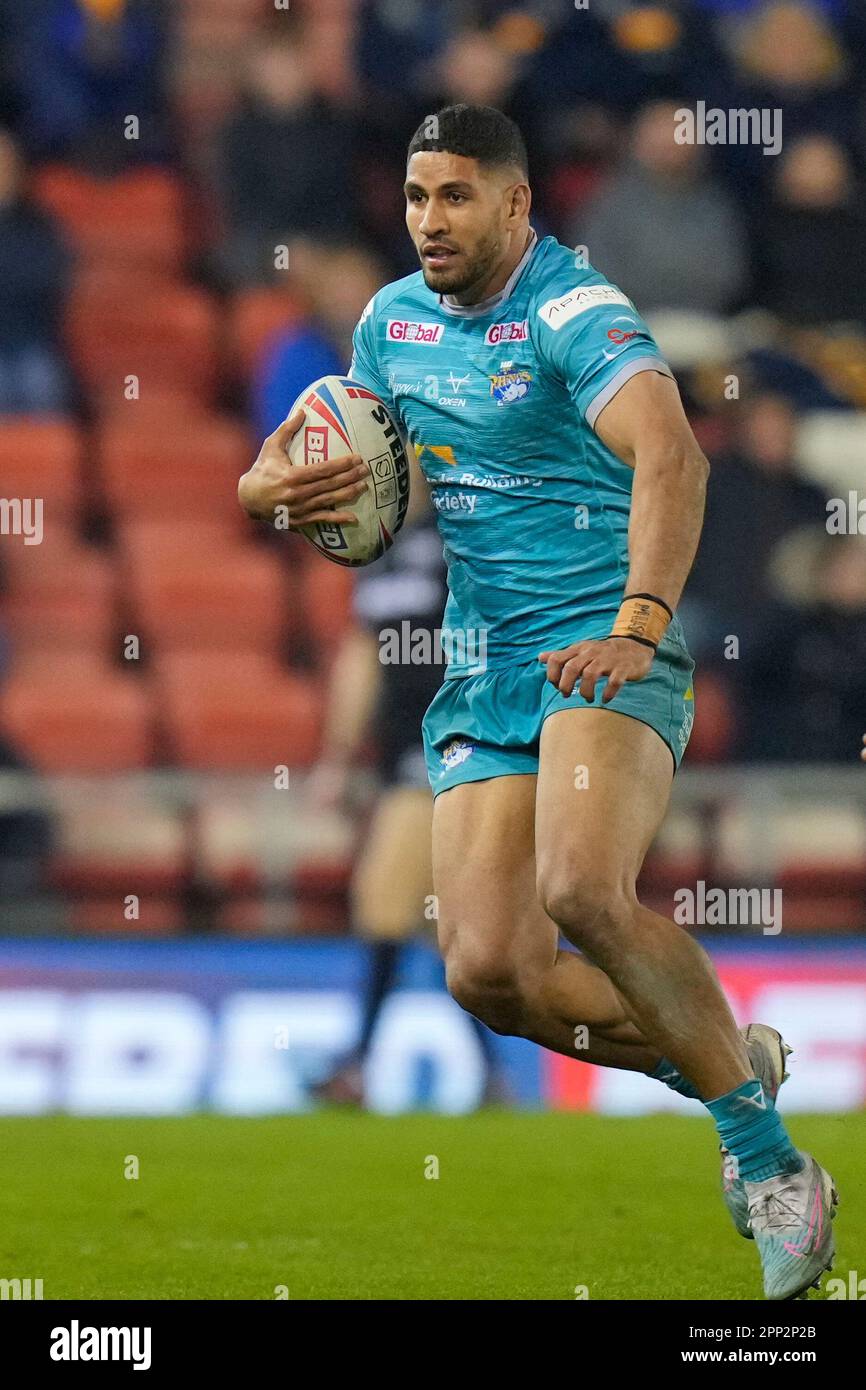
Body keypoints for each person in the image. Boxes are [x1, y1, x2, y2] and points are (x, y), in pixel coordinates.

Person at [238, 103, 837, 1300]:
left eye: (455, 196)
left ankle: (770, 1169)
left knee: (577, 890)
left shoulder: (574, 311)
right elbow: (328, 455)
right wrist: (268, 486)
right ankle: (731, 1061)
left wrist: (636, 625)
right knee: (486, 972)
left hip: (604, 650)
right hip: (484, 667)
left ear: (515, 204)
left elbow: (674, 458)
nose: (428, 221)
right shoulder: (389, 324)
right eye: (414, 198)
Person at [305, 478, 503, 1106]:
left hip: (459, 745)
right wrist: (337, 759)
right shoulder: (378, 550)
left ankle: (359, 1065)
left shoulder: (466, 536)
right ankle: (490, 1076)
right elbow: (362, 653)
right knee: (439, 922)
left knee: (389, 899)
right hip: (401, 755)